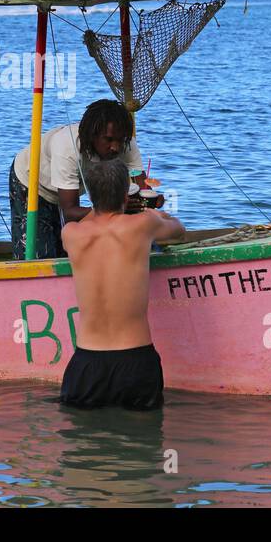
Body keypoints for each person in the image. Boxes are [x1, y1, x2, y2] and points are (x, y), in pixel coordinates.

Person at [58, 157, 185, 410]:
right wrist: (154, 212)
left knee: (85, 444)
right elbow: (178, 230)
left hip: (86, 363)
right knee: (142, 445)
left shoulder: (70, 234)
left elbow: (94, 220)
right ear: (126, 196)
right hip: (135, 359)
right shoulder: (142, 224)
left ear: (91, 196)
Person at [9, 99, 147, 259]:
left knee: (65, 248)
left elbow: (142, 187)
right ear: (92, 136)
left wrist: (148, 201)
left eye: (120, 140)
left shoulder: (127, 144)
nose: (115, 147)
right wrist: (114, 209)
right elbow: (70, 212)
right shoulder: (67, 148)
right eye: (108, 140)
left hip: (67, 189)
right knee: (39, 254)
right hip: (31, 182)